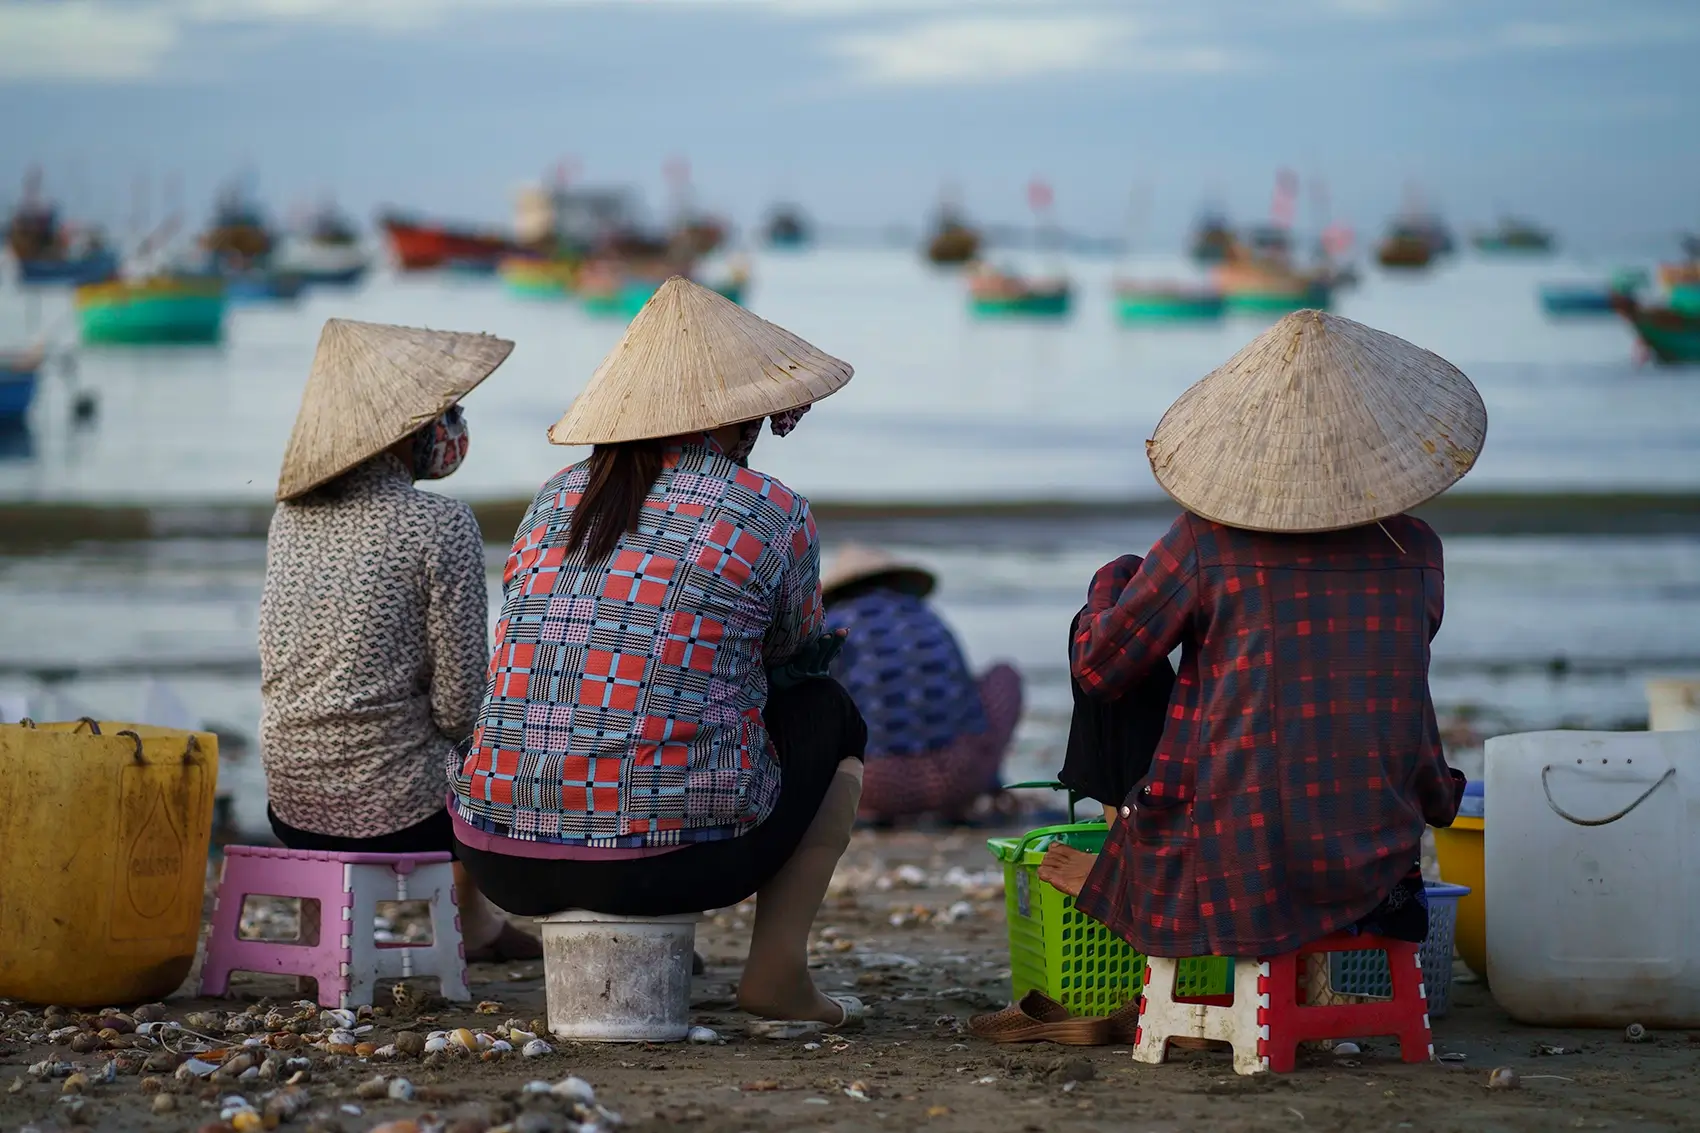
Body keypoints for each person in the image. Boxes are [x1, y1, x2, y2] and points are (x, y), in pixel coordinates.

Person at [450, 278, 866, 1029]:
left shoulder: (553, 499)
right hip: (671, 863)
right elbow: (796, 652)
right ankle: (777, 974)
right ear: (739, 416)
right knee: (831, 713)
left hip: (498, 852)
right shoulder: (769, 511)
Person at [1037, 309, 1478, 962]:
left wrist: (1114, 579)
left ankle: (1127, 872)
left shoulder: (1205, 543)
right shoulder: (1416, 547)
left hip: (1238, 870)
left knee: (1101, 640)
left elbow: (1100, 669)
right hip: (1378, 857)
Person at [260, 318, 540, 962]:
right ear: (406, 432)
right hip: (397, 816)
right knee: (491, 752)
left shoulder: (289, 518)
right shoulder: (440, 523)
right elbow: (461, 705)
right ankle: (479, 925)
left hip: (291, 799)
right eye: (447, 413)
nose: (455, 426)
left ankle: (470, 929)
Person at [819, 545, 1022, 823]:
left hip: (872, 785)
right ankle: (979, 790)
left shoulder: (832, 627)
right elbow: (963, 692)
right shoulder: (928, 617)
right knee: (1004, 674)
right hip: (958, 776)